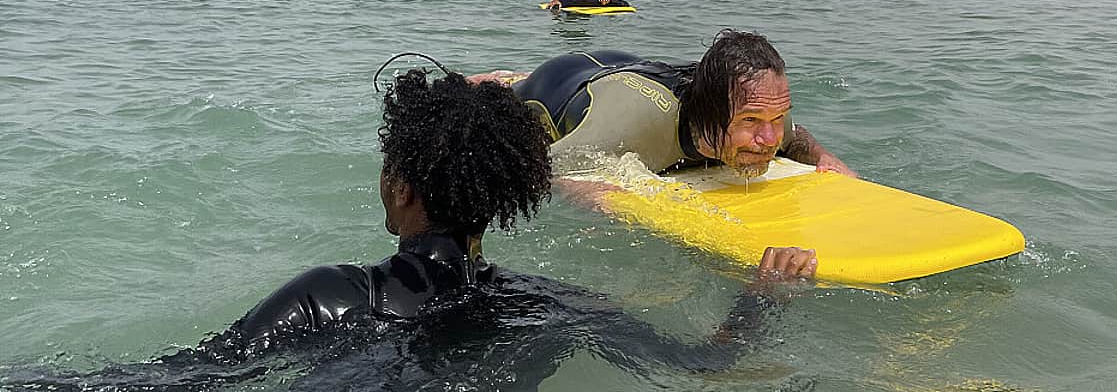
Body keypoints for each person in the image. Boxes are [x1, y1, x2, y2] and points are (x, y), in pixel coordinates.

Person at [197, 67, 816, 359]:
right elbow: (705, 362)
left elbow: (192, 376)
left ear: (401, 188)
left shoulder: (331, 295)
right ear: (500, 197)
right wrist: (763, 296)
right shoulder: (555, 305)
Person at [472, 29, 855, 179]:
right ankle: (505, 78)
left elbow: (796, 136)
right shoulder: (631, 131)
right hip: (563, 82)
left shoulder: (766, 115)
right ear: (709, 111)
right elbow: (539, 168)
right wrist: (583, 186)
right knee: (509, 98)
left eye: (776, 118)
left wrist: (821, 155)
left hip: (633, 66)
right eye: (752, 121)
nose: (769, 139)